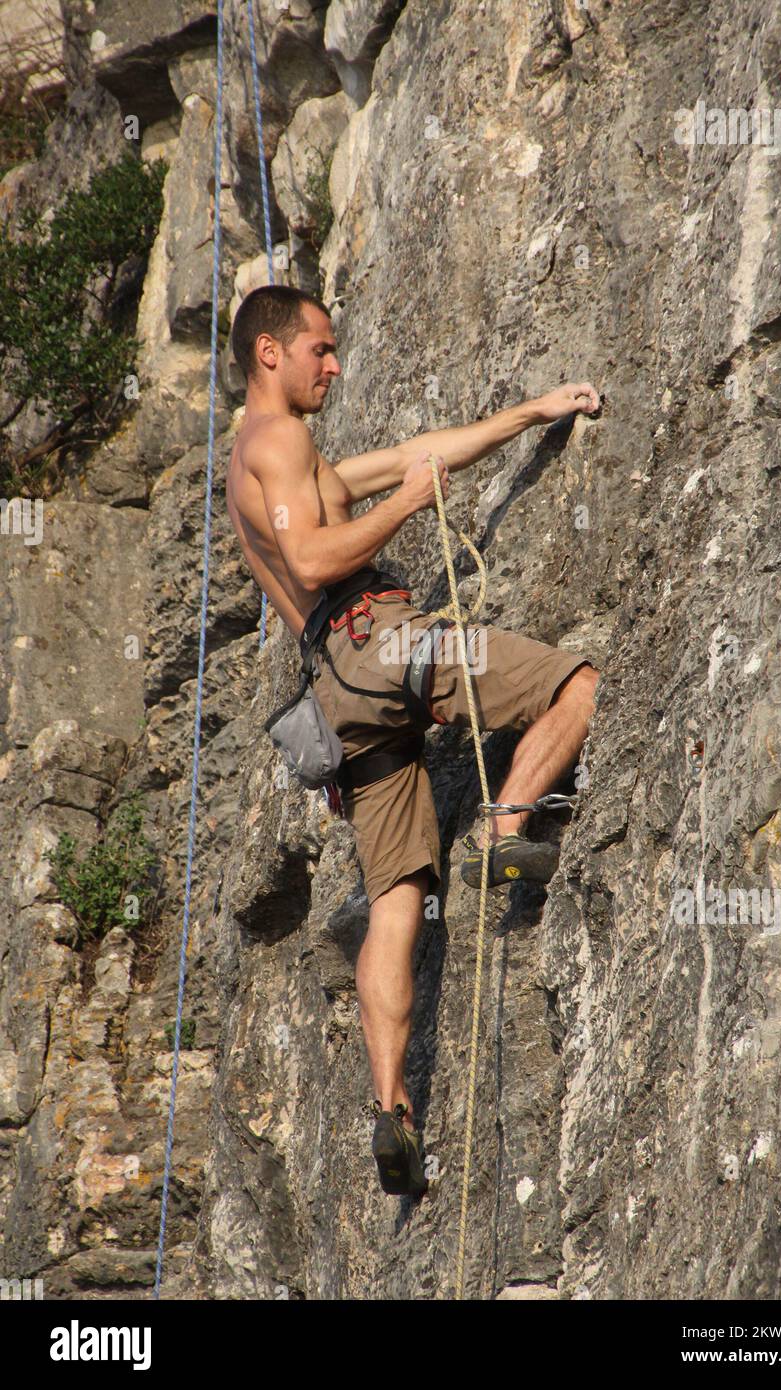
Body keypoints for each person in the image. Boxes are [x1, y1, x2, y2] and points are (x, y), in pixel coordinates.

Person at [226, 285, 600, 1195]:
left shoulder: (266, 462)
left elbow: (418, 455)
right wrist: (404, 506)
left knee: (397, 897)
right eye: (319, 348)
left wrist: (530, 414)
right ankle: (508, 829)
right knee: (575, 685)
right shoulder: (277, 441)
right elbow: (314, 558)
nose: (334, 365)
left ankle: (391, 1108)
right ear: (270, 352)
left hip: (340, 694)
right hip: (384, 645)